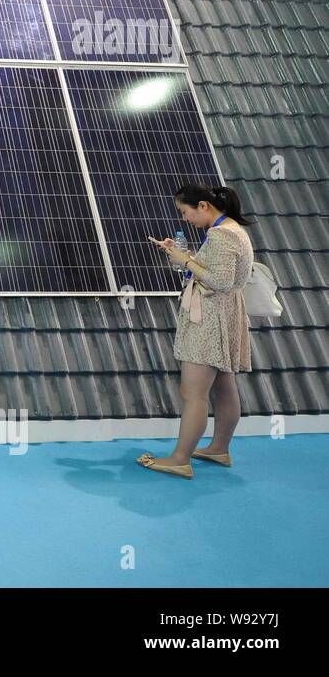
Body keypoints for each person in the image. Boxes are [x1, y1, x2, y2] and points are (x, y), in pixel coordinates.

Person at [139, 184, 255, 480]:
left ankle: (180, 458)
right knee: (224, 387)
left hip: (209, 319)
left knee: (193, 393)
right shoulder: (231, 230)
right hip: (226, 316)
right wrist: (183, 255)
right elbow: (218, 272)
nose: (185, 218)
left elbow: (221, 281)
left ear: (203, 206)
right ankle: (218, 448)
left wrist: (186, 261)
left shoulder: (221, 234)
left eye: (185, 211)